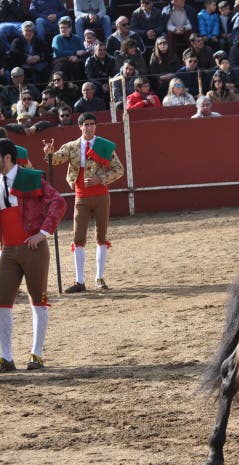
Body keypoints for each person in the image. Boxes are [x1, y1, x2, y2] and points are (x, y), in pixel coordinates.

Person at [0, 138, 67, 372]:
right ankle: (6, 357)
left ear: (6, 157)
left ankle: (36, 355)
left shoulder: (30, 178)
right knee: (2, 302)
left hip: (33, 249)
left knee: (37, 301)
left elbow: (58, 202)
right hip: (8, 250)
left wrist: (43, 232)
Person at [43, 112, 124, 293]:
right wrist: (49, 153)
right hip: (81, 197)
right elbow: (55, 159)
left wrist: (100, 179)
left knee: (101, 236)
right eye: (85, 124)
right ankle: (80, 281)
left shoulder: (104, 145)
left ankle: (99, 277)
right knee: (78, 237)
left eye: (91, 124)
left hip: (101, 195)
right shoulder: (72, 147)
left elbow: (119, 169)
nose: (88, 128)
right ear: (79, 127)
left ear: (95, 126)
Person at [51, 16, 88, 81]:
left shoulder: (77, 38)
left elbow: (83, 51)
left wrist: (77, 58)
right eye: (61, 28)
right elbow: (58, 52)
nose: (63, 29)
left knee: (80, 66)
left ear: (70, 28)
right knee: (63, 66)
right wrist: (75, 53)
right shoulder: (57, 38)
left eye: (65, 27)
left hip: (76, 60)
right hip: (61, 61)